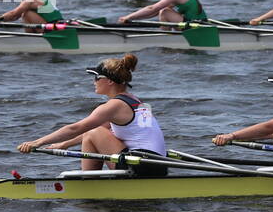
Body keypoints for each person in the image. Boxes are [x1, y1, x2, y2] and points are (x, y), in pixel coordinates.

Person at [16, 53, 168, 175]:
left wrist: (38, 142)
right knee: (93, 132)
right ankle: (89, 178)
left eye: (97, 77)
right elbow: (95, 130)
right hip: (156, 165)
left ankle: (88, 182)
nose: (93, 81)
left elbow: (75, 128)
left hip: (142, 166)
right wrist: (64, 144)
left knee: (93, 132)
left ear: (109, 81)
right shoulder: (133, 101)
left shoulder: (114, 105)